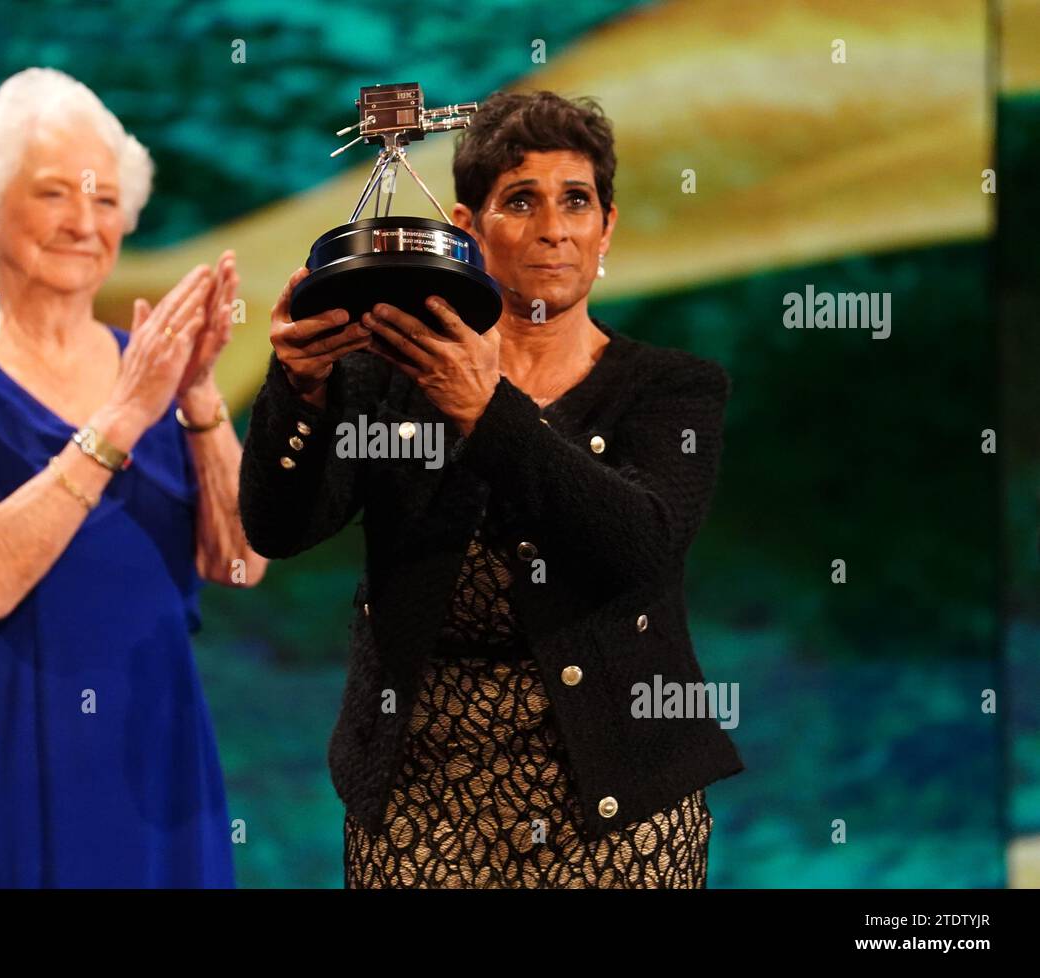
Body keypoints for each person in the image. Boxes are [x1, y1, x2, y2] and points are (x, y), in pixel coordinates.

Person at [239, 90, 743, 888]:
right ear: (467, 229)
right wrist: (295, 393)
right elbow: (278, 528)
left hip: (616, 811)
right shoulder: (384, 381)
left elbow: (638, 548)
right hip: (419, 810)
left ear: (606, 227)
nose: (553, 228)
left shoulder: (672, 390)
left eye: (576, 201)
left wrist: (486, 411)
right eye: (521, 202)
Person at [0, 67, 266, 887]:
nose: (83, 222)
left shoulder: (151, 368)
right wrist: (122, 419)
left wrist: (200, 396)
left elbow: (242, 562)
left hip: (160, 754)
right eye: (54, 195)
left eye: (105, 200)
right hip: (9, 758)